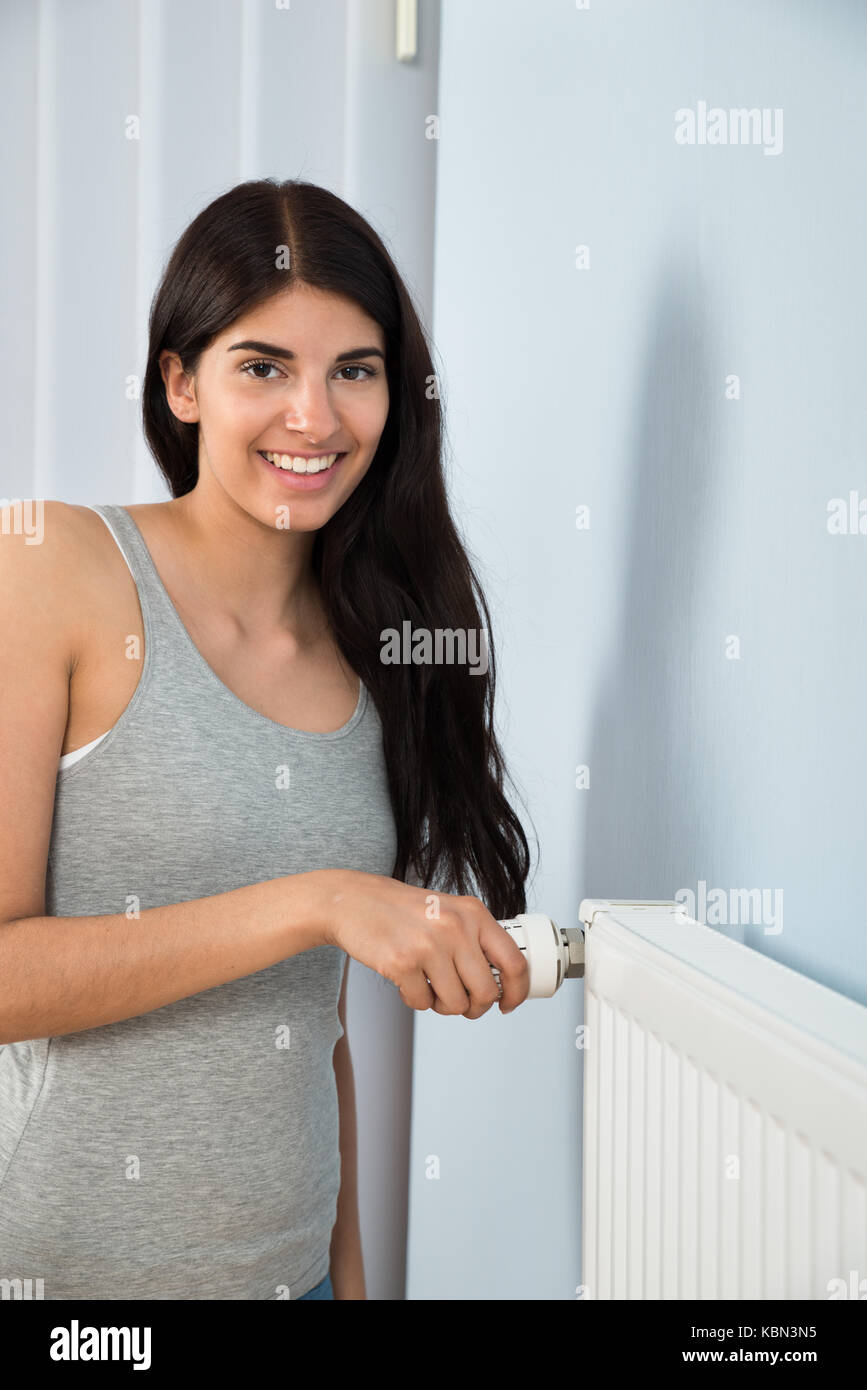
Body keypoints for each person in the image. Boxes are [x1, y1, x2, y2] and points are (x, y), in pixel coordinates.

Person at [0, 178, 533, 1301]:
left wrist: (349, 1285)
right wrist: (316, 898)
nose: (316, 418)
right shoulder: (51, 570)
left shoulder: (375, 648)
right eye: (264, 367)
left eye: (355, 369)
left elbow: (312, 1023)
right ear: (181, 382)